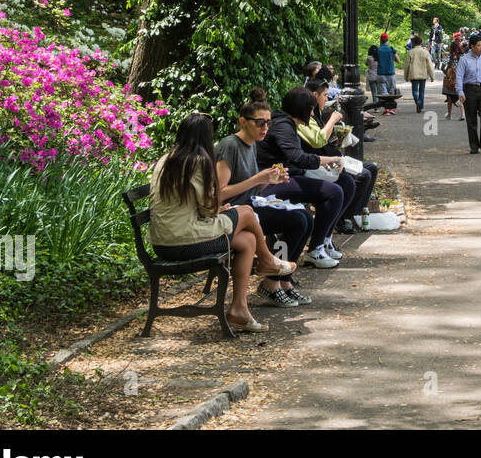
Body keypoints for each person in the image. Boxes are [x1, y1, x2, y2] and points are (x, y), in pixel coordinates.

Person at [149, 112, 295, 333]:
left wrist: (218, 209)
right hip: (184, 243)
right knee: (245, 212)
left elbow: (190, 205)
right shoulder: (198, 161)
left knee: (246, 240)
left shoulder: (165, 159)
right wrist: (219, 208)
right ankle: (267, 261)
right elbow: (208, 207)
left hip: (162, 243)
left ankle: (239, 309)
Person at [215, 91, 312, 308]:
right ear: (243, 121)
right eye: (260, 123)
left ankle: (283, 282)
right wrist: (257, 179)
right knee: (298, 220)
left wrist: (271, 180)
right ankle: (272, 283)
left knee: (305, 217)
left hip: (250, 206)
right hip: (235, 211)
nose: (265, 128)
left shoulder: (252, 144)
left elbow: (252, 186)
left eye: (268, 123)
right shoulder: (230, 146)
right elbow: (220, 193)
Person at [254, 88, 353, 268]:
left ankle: (323, 241)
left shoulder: (287, 123)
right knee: (332, 193)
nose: (313, 113)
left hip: (288, 176)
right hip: (271, 183)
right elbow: (299, 158)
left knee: (344, 183)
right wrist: (330, 159)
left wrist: (326, 161)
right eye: (311, 109)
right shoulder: (283, 126)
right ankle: (314, 250)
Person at [305, 79, 379, 234]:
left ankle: (354, 213)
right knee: (362, 175)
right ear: (314, 95)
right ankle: (343, 218)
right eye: (324, 95)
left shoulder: (317, 113)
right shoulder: (307, 117)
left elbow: (323, 141)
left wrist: (337, 140)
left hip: (332, 159)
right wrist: (332, 120)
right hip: (322, 165)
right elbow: (317, 142)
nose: (326, 99)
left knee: (371, 168)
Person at [456, 34, 481, 153]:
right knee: (471, 118)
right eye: (479, 45)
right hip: (469, 90)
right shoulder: (464, 60)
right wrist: (460, 91)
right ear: (472, 46)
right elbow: (459, 76)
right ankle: (474, 146)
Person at [403, 33, 438, 113]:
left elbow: (406, 65)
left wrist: (406, 76)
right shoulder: (425, 52)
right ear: (421, 43)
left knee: (414, 90)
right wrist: (432, 76)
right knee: (422, 91)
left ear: (414, 43)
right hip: (423, 75)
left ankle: (417, 101)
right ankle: (421, 107)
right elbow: (429, 65)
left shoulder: (410, 52)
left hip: (413, 74)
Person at [376, 33, 398, 112]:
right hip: (390, 73)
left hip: (381, 73)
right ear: (387, 40)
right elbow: (398, 60)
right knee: (391, 92)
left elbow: (375, 59)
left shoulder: (378, 50)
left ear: (380, 40)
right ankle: (392, 108)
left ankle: (386, 109)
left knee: (383, 93)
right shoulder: (391, 49)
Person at [442, 45, 463, 121]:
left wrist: (446, 73)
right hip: (459, 79)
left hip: (450, 80)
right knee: (460, 96)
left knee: (450, 98)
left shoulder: (449, 56)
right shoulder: (462, 57)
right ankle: (462, 114)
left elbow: (443, 66)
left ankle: (449, 115)